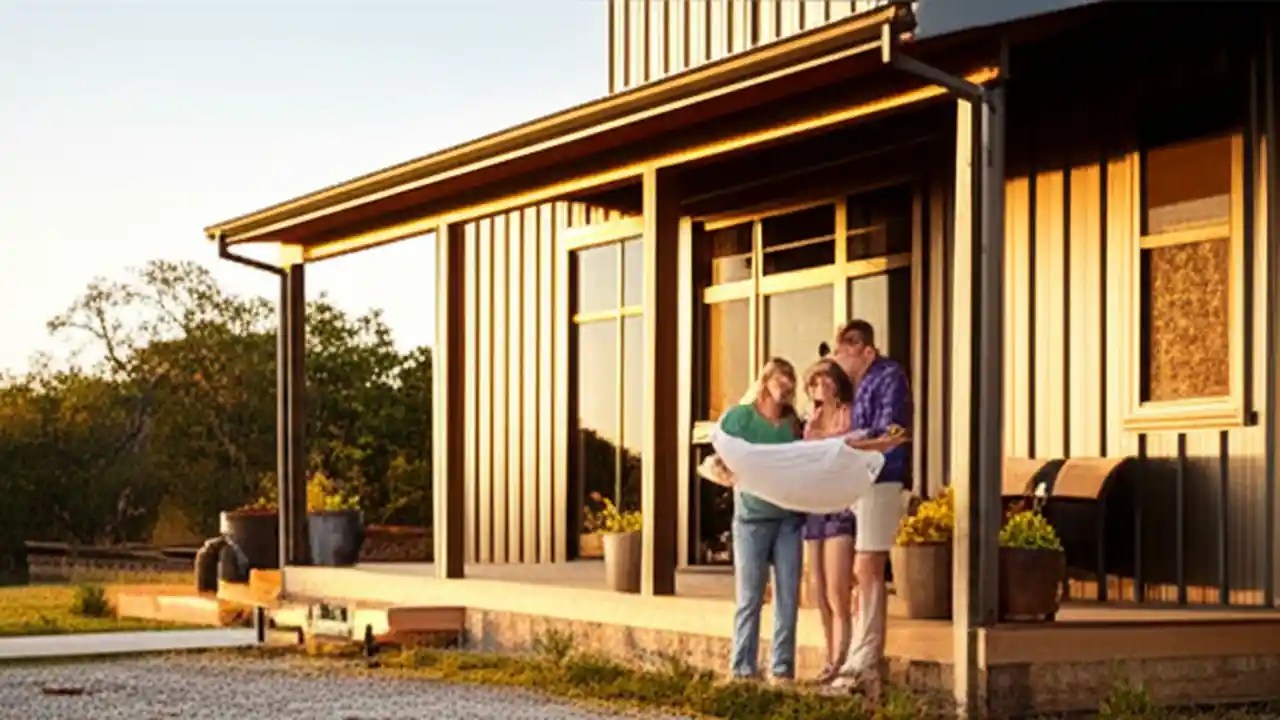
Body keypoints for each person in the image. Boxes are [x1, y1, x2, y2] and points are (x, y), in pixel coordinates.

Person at [829, 320, 912, 698]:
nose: (839, 362)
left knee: (869, 565)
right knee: (859, 570)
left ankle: (866, 656)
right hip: (862, 481)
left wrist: (852, 448)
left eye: (843, 354)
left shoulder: (889, 377)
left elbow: (894, 434)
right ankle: (861, 653)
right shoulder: (858, 386)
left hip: (884, 477)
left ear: (866, 351)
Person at [719, 357, 804, 684]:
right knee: (750, 596)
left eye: (790, 384)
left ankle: (782, 669)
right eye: (781, 382)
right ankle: (742, 669)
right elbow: (719, 453)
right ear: (765, 381)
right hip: (751, 519)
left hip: (787, 521)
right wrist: (723, 472)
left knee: (787, 597)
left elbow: (803, 460)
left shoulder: (792, 423)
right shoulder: (740, 418)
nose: (786, 390)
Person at [800, 359, 859, 685]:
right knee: (818, 590)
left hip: (840, 507)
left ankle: (842, 659)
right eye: (814, 383)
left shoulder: (847, 415)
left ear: (836, 383)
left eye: (824, 381)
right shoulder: (812, 421)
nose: (819, 387)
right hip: (814, 507)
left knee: (838, 591)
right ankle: (828, 655)